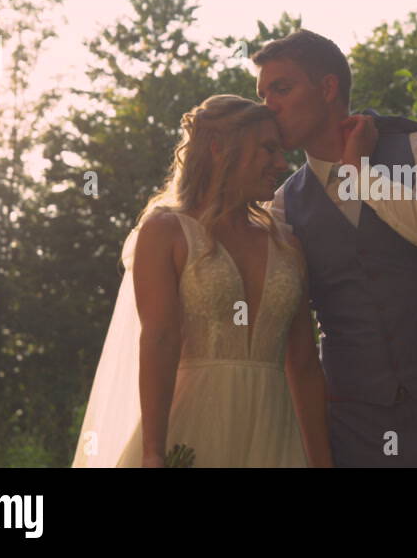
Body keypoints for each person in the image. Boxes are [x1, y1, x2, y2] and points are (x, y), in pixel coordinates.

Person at [255, 29, 417, 467]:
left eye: (281, 88)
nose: (269, 106)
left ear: (328, 88)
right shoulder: (282, 204)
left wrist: (360, 173)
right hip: (354, 430)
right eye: (262, 95)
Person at [72, 95, 333, 467]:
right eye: (268, 149)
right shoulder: (166, 232)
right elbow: (159, 341)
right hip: (191, 431)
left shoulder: (287, 244)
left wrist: (323, 462)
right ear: (219, 149)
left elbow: (305, 363)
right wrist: (153, 453)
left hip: (276, 437)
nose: (281, 163)